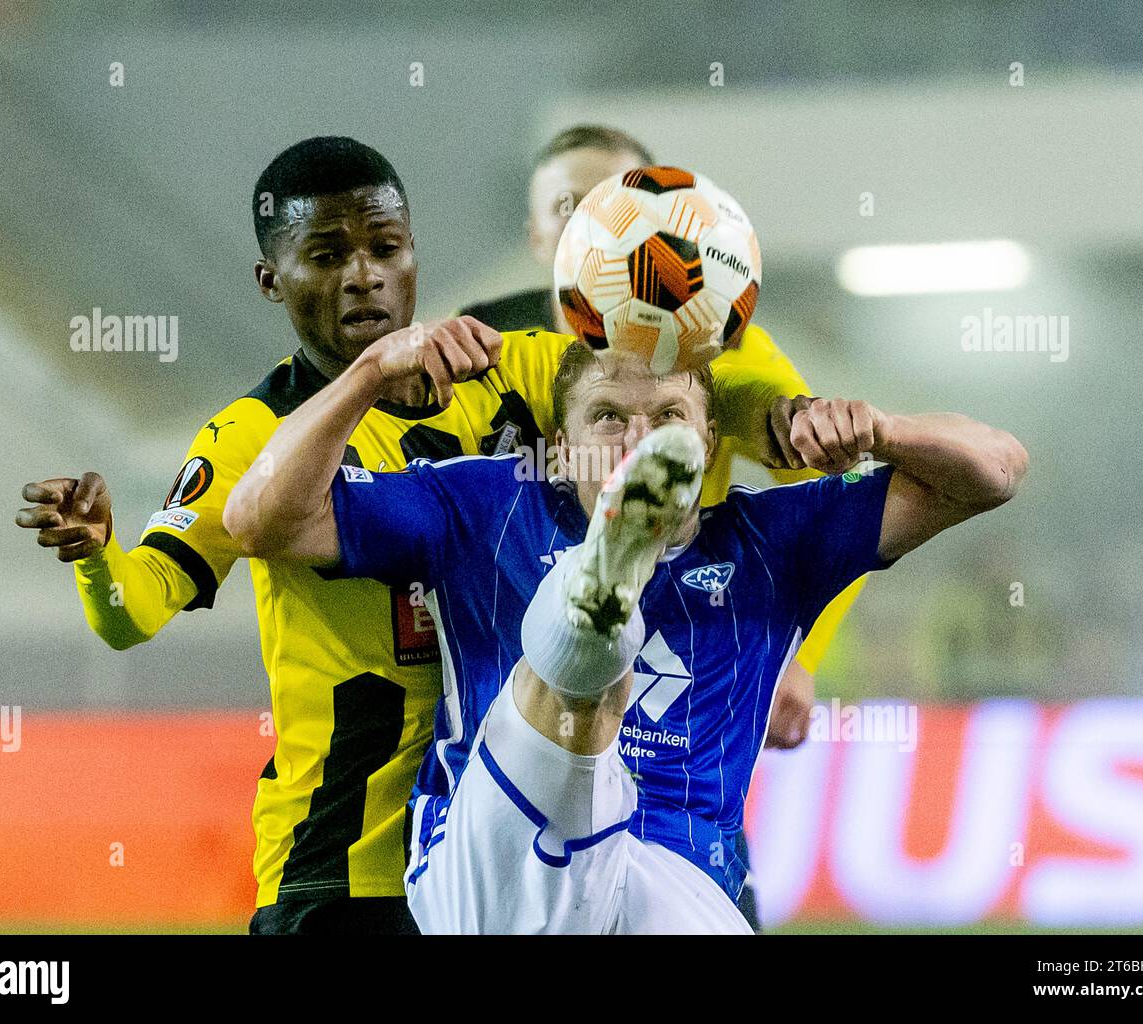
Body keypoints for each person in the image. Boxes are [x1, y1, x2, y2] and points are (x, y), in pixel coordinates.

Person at [13, 137, 813, 933]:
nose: (363, 274)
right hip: (344, 864)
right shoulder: (250, 439)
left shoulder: (515, 373)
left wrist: (795, 416)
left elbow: (686, 378)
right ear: (272, 281)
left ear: (413, 257)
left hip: (495, 851)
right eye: (325, 256)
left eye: (385, 248)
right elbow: (132, 612)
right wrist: (96, 560)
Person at [223, 337, 1029, 933]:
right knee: (569, 711)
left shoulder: (774, 539)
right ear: (561, 442)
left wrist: (881, 431)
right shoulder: (479, 506)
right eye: (608, 416)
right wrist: (367, 375)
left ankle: (601, 587)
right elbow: (258, 517)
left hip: (678, 880)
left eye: (668, 418)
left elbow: (996, 470)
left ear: (708, 445)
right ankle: (602, 586)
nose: (637, 438)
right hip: (498, 863)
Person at [459, 123, 864, 926]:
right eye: (570, 205)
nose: (597, 219)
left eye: (616, 198)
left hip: (681, 691)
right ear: (541, 232)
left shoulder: (722, 350)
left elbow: (830, 490)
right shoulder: (485, 340)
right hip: (518, 691)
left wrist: (799, 660)